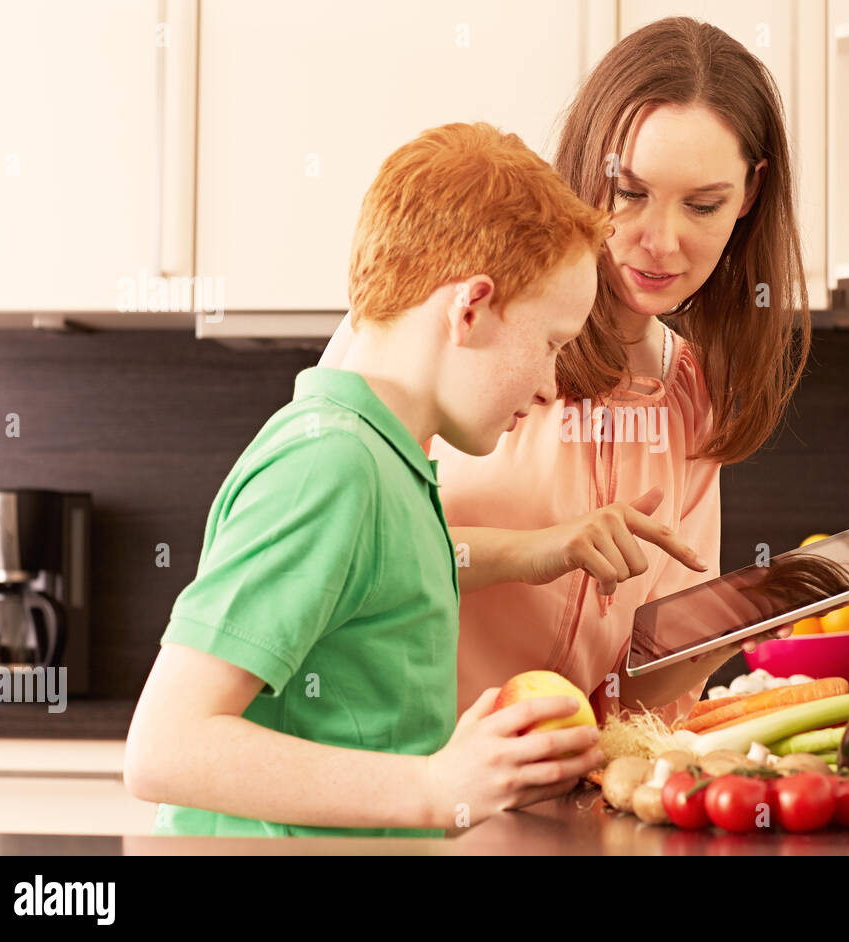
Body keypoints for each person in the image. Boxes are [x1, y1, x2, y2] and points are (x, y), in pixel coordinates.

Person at [320, 18, 812, 726]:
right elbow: (334, 560)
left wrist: (730, 629)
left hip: (561, 804)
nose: (660, 241)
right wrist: (537, 550)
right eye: (630, 191)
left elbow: (625, 694)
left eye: (703, 205)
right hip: (411, 796)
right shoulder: (450, 323)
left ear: (750, 194)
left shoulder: (690, 393)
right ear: (587, 167)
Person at [124, 123, 609, 837]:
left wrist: (538, 552)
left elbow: (382, 575)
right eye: (550, 344)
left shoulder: (386, 459)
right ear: (469, 308)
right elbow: (166, 745)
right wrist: (435, 785)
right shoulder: (331, 465)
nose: (550, 384)